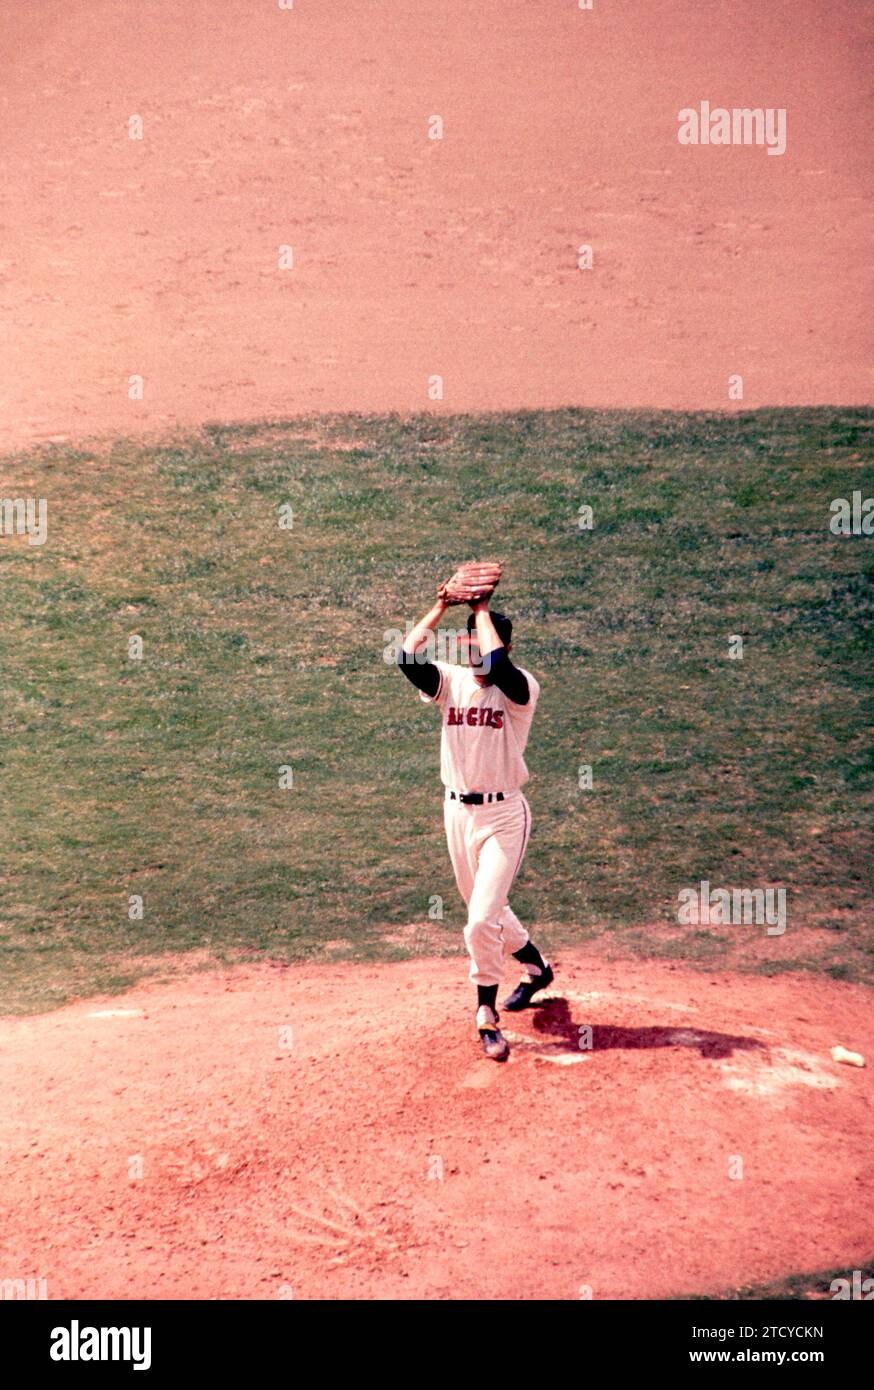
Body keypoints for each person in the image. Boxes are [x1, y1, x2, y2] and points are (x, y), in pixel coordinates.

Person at [396, 588, 553, 1060]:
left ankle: (485, 1014)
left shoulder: (520, 687)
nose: (475, 656)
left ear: (499, 647)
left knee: (480, 919)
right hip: (457, 815)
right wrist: (442, 607)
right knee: (486, 910)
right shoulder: (449, 680)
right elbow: (405, 657)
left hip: (505, 815)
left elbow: (498, 667)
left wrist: (481, 610)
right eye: (470, 647)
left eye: (482, 646)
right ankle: (537, 969)